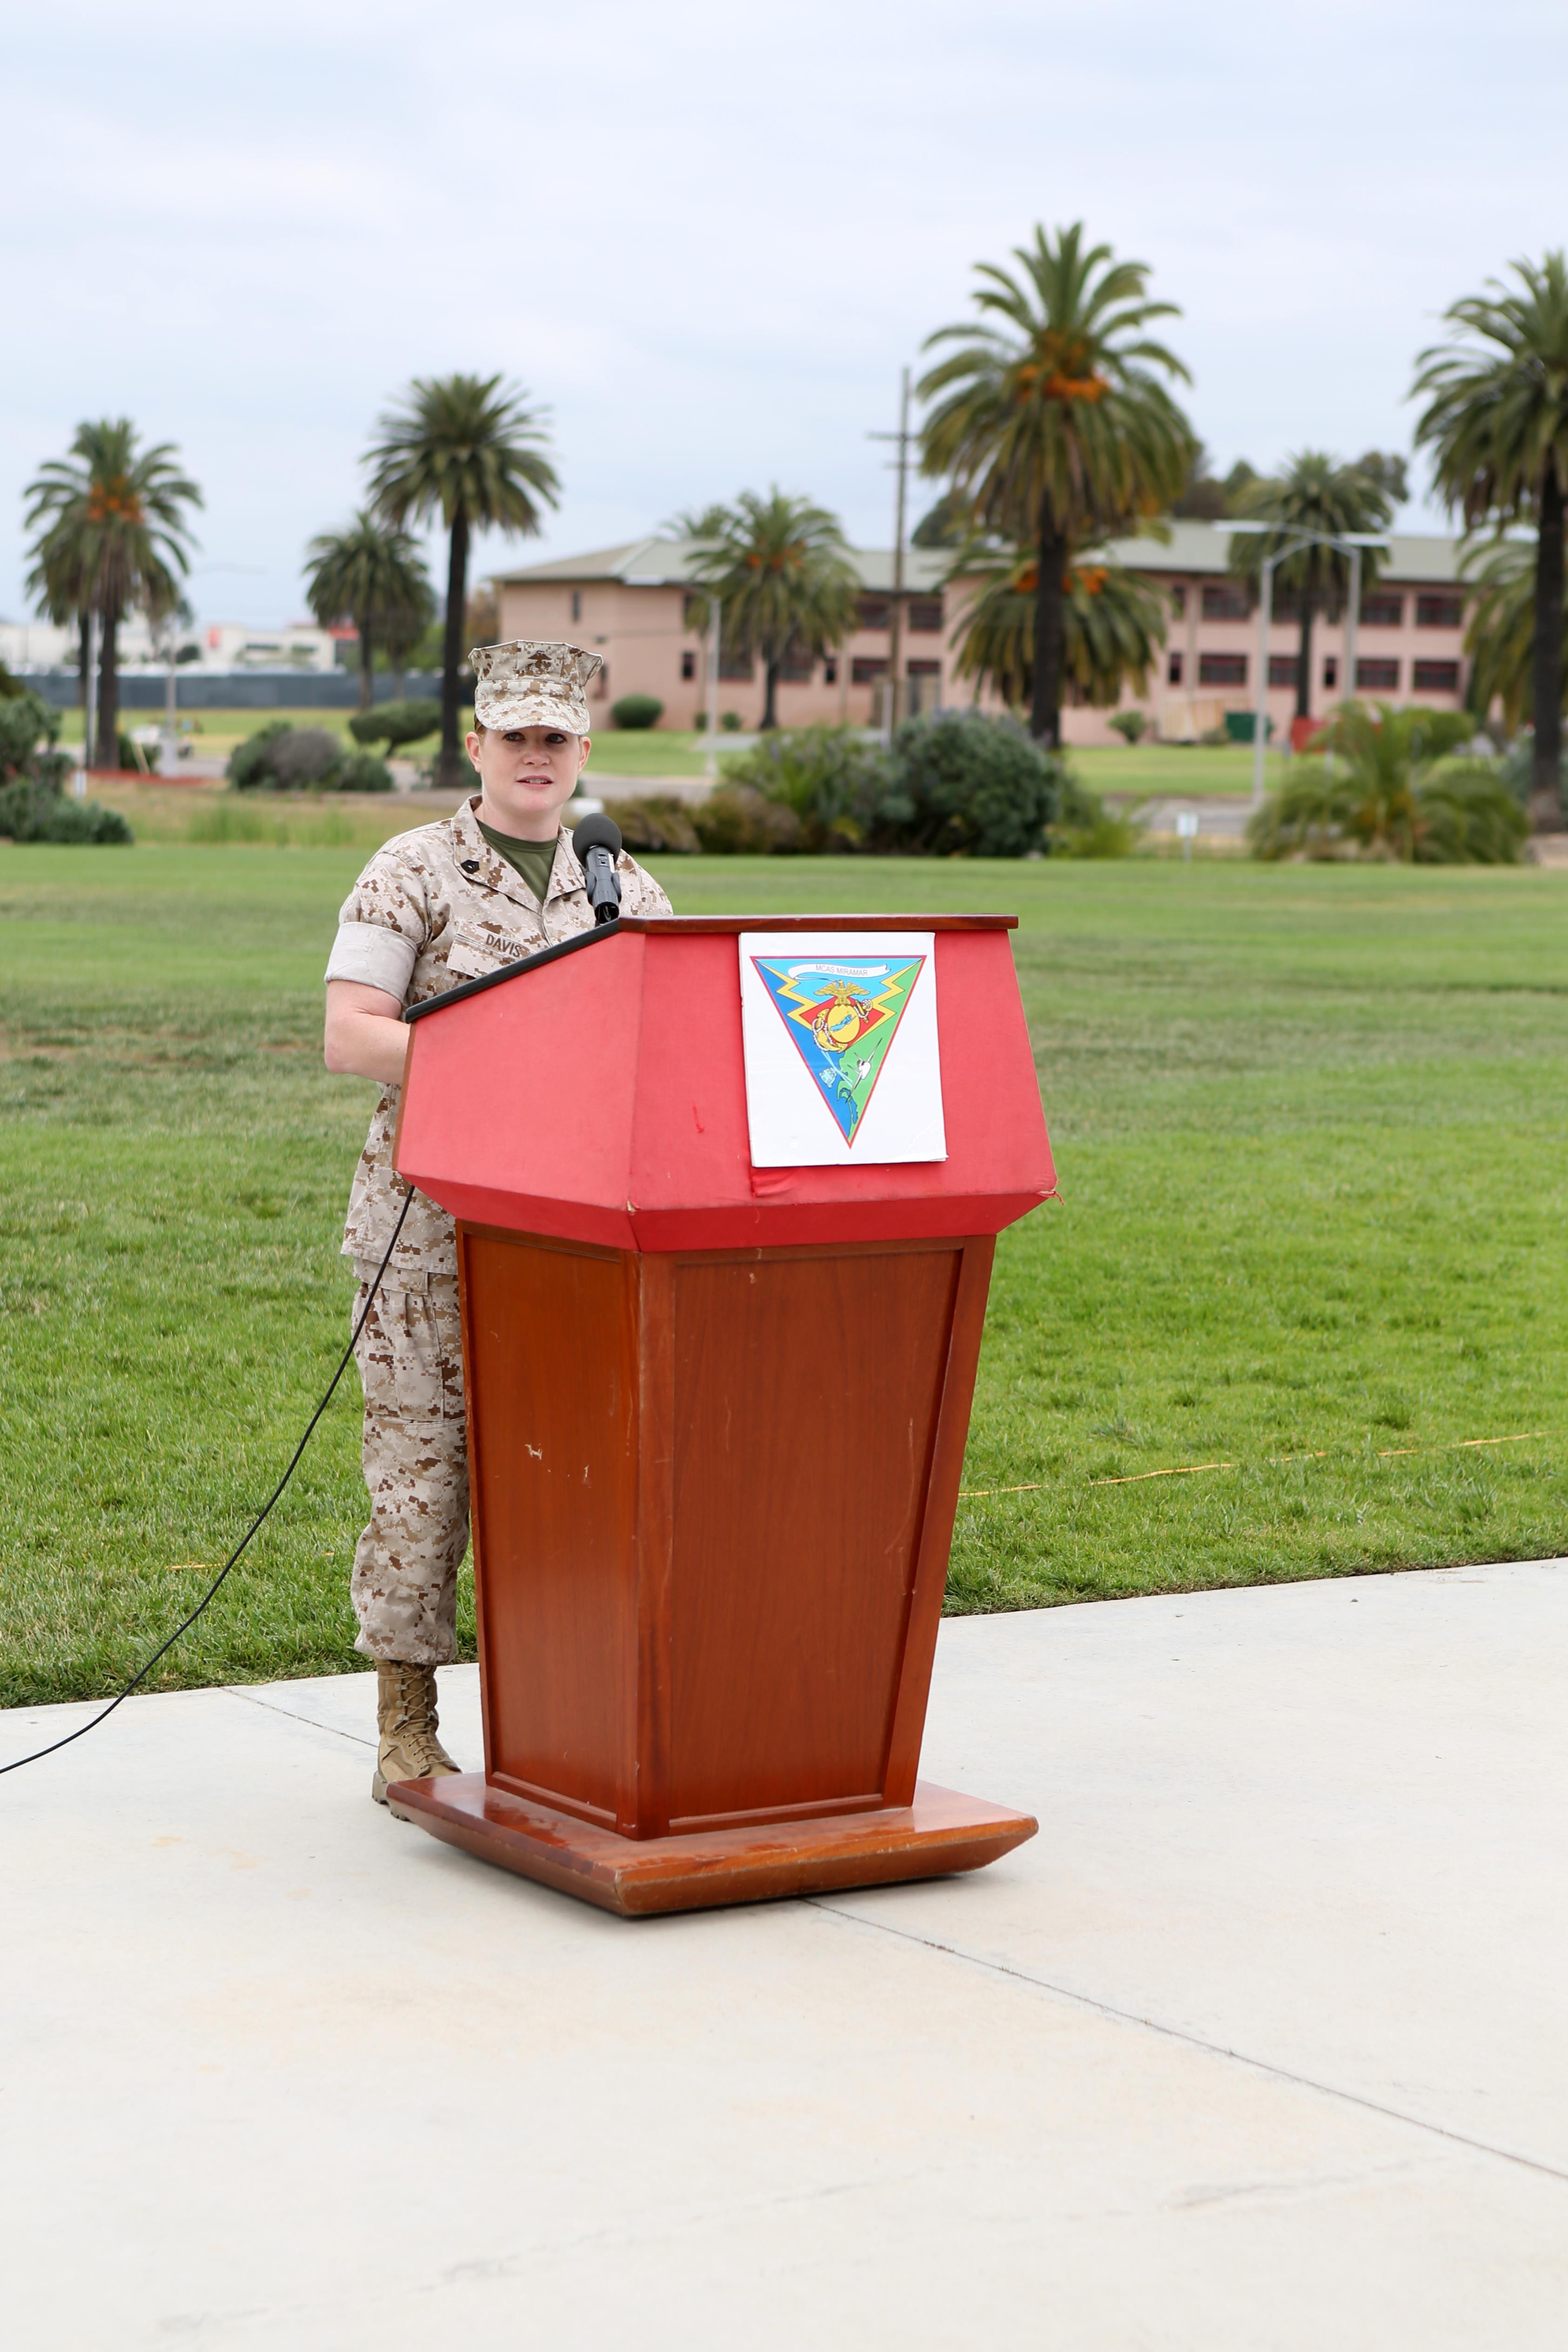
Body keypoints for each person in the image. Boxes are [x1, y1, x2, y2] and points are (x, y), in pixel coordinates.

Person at [322, 640, 673, 1803]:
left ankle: (568, 1719)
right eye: (514, 736)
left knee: (572, 1483)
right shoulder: (409, 868)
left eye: (555, 738)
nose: (536, 756)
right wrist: (505, 1062)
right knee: (425, 1482)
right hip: (426, 1237)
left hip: (575, 1243)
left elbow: (672, 1028)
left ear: (582, 751)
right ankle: (406, 1724)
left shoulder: (621, 882)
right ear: (474, 745)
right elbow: (353, 1032)